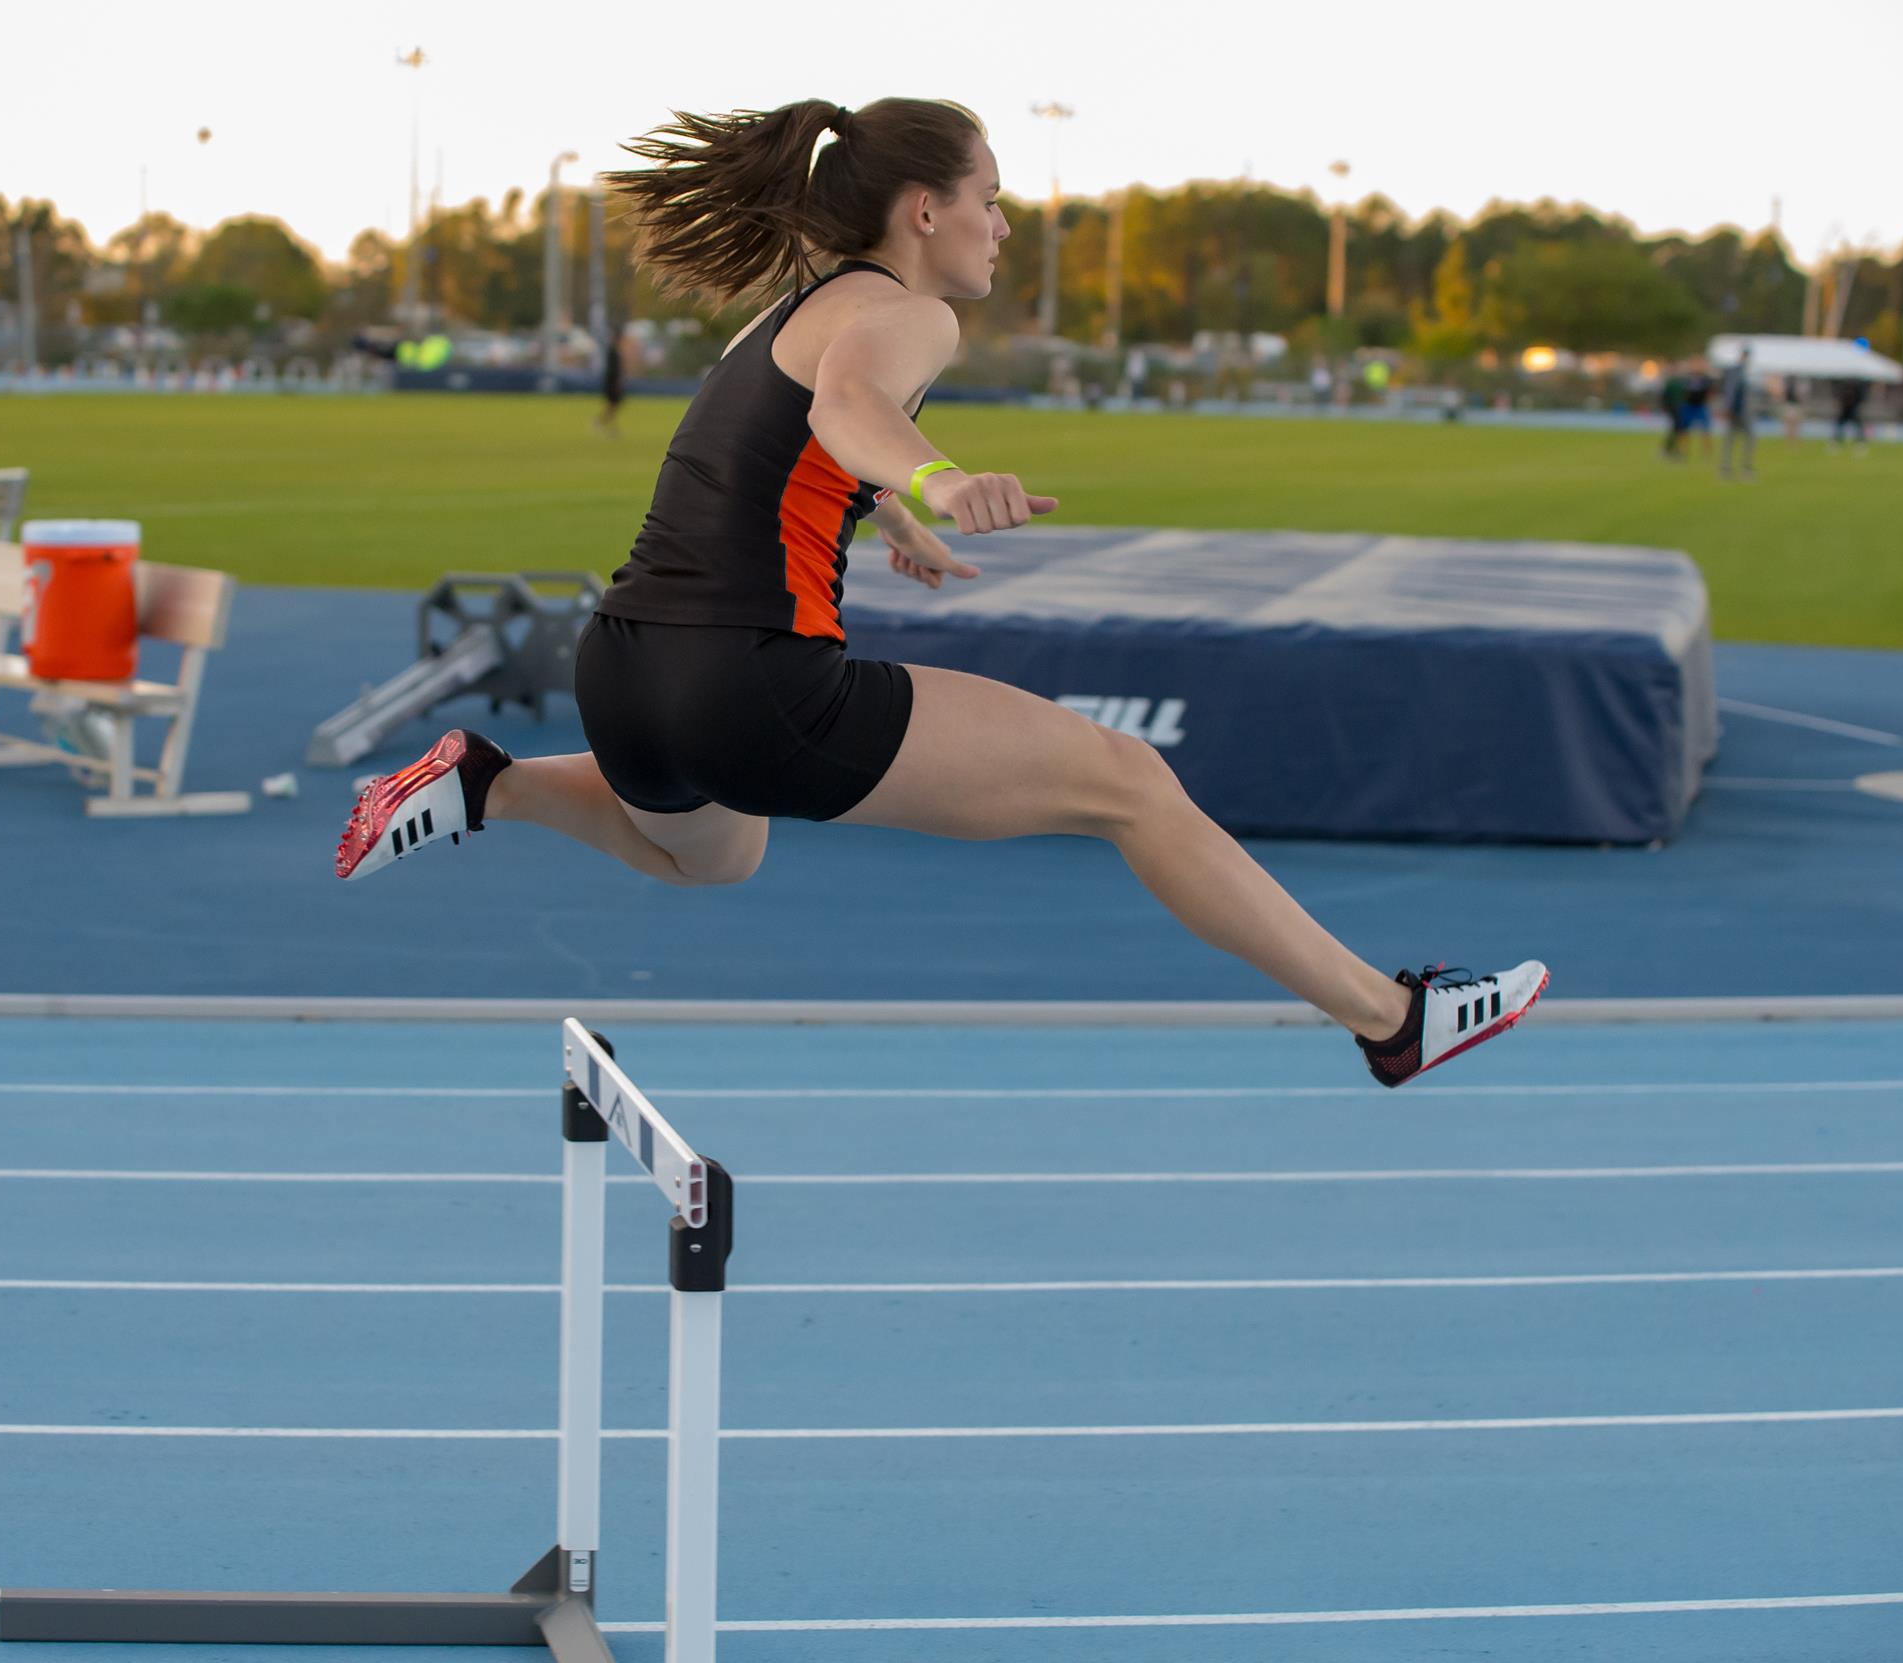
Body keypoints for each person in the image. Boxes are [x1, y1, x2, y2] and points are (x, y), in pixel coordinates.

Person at [335, 97, 1546, 1087]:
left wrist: (888, 513)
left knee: (716, 859)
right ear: (925, 210)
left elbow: (773, 451)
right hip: (750, 681)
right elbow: (847, 412)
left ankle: (493, 783)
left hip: (624, 669)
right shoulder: (905, 313)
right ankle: (1393, 1020)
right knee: (1130, 786)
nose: (1003, 226)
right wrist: (942, 478)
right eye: (990, 198)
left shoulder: (792, 312)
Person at [1718, 346, 1757, 480]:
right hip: (1736, 411)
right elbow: (1730, 391)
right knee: (1731, 440)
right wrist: (1728, 408)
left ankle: (1745, 468)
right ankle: (1726, 468)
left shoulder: (1748, 371)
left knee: (1747, 440)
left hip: (1744, 411)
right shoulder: (1735, 371)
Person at [594, 324, 627, 436]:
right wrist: (616, 382)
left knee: (613, 406)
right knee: (613, 405)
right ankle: (603, 424)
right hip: (612, 382)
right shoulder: (613, 351)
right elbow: (613, 369)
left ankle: (606, 424)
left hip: (612, 381)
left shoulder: (614, 350)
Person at [1832, 376, 1868, 449]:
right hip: (1845, 409)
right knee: (1840, 425)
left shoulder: (1857, 389)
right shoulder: (1844, 388)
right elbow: (1839, 396)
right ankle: (1837, 441)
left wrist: (1855, 404)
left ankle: (1860, 441)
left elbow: (1861, 398)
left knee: (1857, 426)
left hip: (1853, 409)